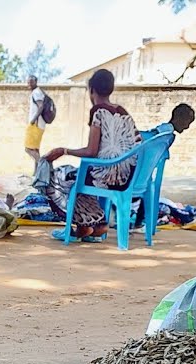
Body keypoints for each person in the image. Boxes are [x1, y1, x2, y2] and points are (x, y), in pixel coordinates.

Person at [44, 69, 141, 240]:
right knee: (80, 175)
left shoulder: (98, 111)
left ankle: (83, 226)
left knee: (58, 176)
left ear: (92, 90)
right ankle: (97, 225)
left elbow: (91, 152)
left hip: (105, 175)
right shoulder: (122, 111)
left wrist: (64, 151)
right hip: (126, 177)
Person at [25, 75, 47, 168]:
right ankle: (37, 172)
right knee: (35, 149)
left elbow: (41, 106)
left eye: (31, 82)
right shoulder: (39, 92)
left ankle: (44, 166)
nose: (29, 84)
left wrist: (33, 120)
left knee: (28, 148)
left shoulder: (36, 92)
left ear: (36, 82)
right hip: (39, 124)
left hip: (36, 124)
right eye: (28, 82)